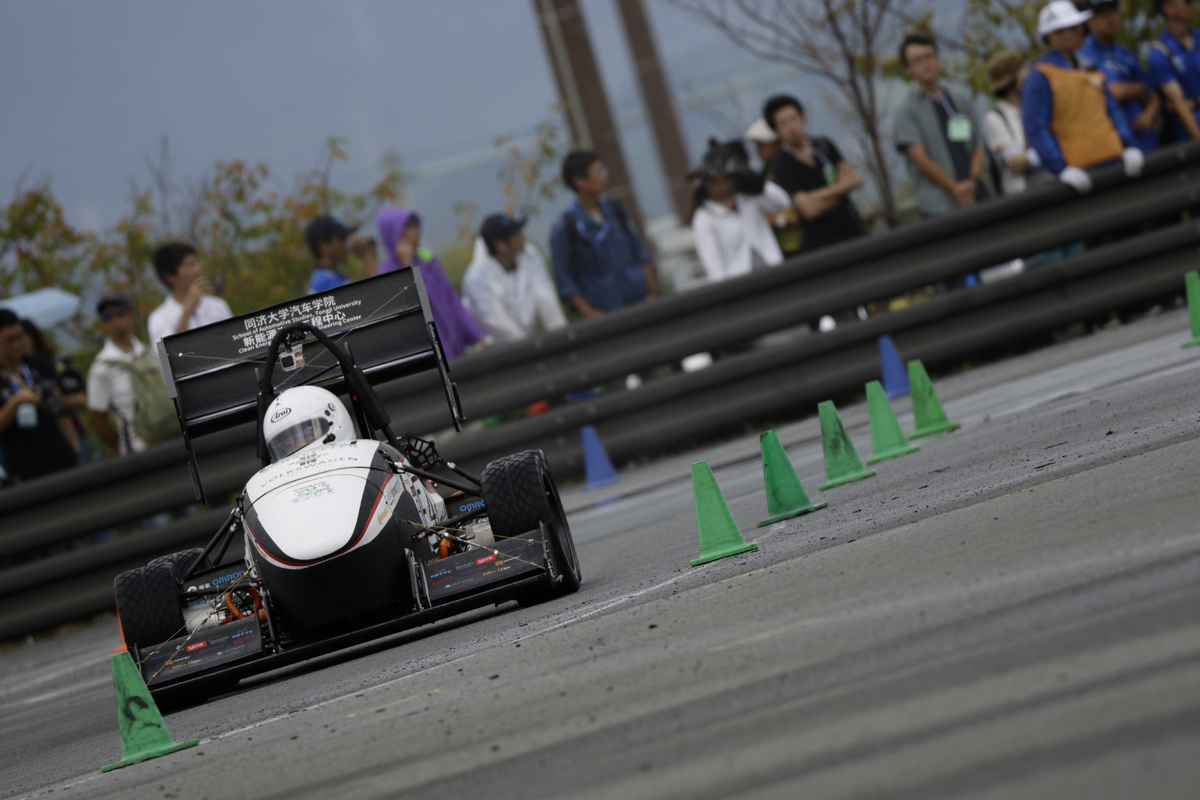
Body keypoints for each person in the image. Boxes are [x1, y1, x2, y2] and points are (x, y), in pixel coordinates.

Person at [1024, 1, 1144, 194]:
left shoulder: (1090, 67)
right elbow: (1036, 128)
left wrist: (1129, 145)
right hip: (1079, 178)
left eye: (1079, 26)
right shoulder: (1040, 76)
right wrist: (1060, 168)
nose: (1080, 31)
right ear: (1052, 36)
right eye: (1072, 28)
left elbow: (1112, 110)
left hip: (1115, 162)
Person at [550, 150, 661, 318]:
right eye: (597, 172)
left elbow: (641, 254)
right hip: (607, 315)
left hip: (642, 305)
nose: (604, 176)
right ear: (579, 181)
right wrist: (591, 313)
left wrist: (651, 292)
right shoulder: (566, 227)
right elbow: (564, 280)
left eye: (603, 170)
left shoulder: (616, 211)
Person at [895, 33, 991, 216]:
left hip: (978, 196)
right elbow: (920, 160)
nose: (926, 63)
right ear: (908, 69)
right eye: (917, 60)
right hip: (939, 206)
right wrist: (956, 189)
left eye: (929, 56)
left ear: (937, 58)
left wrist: (972, 182)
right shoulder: (907, 111)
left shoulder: (959, 101)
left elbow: (978, 145)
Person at [376, 206, 489, 359]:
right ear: (395, 233)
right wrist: (407, 268)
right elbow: (413, 307)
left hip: (456, 349)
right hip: (432, 357)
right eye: (408, 226)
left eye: (415, 224)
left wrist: (476, 335)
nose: (416, 230)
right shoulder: (386, 273)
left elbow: (451, 299)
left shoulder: (428, 260)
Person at [763, 94, 865, 251]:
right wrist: (842, 189)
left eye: (793, 119)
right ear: (776, 130)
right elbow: (809, 211)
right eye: (783, 124)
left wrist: (814, 196)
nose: (792, 127)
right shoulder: (782, 166)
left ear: (802, 118)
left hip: (854, 232)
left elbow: (856, 180)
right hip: (822, 245)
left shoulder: (824, 146)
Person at [689, 138, 792, 281]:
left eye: (726, 179)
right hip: (740, 284)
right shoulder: (704, 218)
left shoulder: (747, 197)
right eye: (715, 181)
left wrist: (759, 187)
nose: (722, 185)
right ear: (706, 184)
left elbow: (782, 202)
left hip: (774, 271)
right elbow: (714, 266)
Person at [461, 213, 567, 343]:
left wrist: (564, 338)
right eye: (516, 234)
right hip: (493, 354)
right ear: (501, 245)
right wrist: (531, 348)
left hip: (526, 343)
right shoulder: (476, 279)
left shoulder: (529, 254)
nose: (523, 237)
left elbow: (546, 298)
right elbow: (499, 324)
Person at [0, 308, 78, 482]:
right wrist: (15, 403)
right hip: (24, 468)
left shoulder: (39, 364)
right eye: (9, 340)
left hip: (60, 455)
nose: (17, 344)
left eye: (20, 336)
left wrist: (59, 399)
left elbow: (69, 405)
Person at [1080, 0, 1160, 153]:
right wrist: (1138, 89)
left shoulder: (1125, 52)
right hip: (1115, 145)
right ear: (1089, 21)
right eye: (1102, 13)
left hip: (1145, 139)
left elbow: (1153, 94)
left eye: (1113, 10)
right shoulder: (1084, 53)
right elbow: (1111, 92)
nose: (1110, 18)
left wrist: (1148, 114)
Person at [87, 294, 151, 455]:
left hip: (172, 438)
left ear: (130, 314)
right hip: (136, 449)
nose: (114, 320)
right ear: (102, 323)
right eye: (107, 316)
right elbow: (98, 418)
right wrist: (118, 445)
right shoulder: (101, 367)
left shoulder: (152, 353)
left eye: (119, 312)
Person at [146, 242, 233, 350]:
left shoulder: (218, 305)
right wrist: (186, 311)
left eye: (196, 263)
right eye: (189, 266)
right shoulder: (159, 318)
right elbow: (170, 358)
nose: (198, 270)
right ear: (170, 277)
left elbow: (238, 348)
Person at [19, 318, 87, 456]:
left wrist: (60, 399)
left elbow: (83, 399)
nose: (20, 343)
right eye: (11, 339)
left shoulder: (54, 365)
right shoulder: (10, 374)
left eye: (23, 336)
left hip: (71, 433)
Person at [984, 51, 1044, 195]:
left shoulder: (1036, 106)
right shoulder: (995, 118)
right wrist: (1050, 152)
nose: (1028, 73)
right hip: (1023, 197)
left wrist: (1030, 157)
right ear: (1013, 78)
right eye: (1022, 69)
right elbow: (1017, 163)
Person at [746, 117, 802, 257]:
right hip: (781, 252)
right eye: (757, 144)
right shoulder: (760, 178)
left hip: (805, 245)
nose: (759, 149)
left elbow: (804, 212)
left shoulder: (792, 169)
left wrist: (776, 219)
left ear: (778, 143)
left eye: (764, 144)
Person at [1147, 0, 1200, 142]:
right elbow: (1179, 105)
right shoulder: (1159, 53)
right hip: (1189, 138)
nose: (1193, 4)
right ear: (1169, 9)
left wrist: (1194, 102)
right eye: (1187, 1)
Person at [305, 215, 378, 294]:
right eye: (341, 237)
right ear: (322, 246)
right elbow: (375, 299)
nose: (345, 242)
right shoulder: (324, 282)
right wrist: (368, 256)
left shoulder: (332, 275)